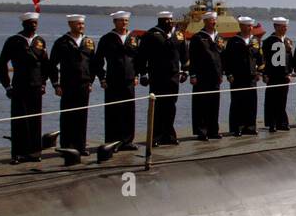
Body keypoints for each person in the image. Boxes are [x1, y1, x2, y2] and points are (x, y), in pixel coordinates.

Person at [0, 12, 48, 164]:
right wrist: (7, 85)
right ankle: (18, 153)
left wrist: (44, 83)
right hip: (19, 86)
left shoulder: (40, 41)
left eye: (35, 23)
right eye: (30, 23)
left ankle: (34, 152)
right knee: (19, 121)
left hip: (36, 87)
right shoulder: (14, 41)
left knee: (35, 120)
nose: (33, 25)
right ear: (24, 24)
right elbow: (2, 65)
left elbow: (46, 65)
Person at [136, 11, 186, 146]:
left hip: (174, 75)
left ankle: (169, 134)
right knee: (157, 106)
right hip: (157, 75)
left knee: (171, 105)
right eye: (168, 21)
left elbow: (184, 55)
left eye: (171, 20)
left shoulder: (178, 35)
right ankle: (156, 136)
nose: (171, 23)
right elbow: (142, 56)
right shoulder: (151, 34)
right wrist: (143, 74)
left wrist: (186, 71)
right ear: (161, 21)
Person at [48, 14, 95, 155]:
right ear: (70, 25)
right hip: (67, 85)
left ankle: (80, 146)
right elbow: (52, 65)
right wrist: (56, 84)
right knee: (68, 116)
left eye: (82, 24)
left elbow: (93, 64)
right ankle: (66, 145)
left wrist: (91, 81)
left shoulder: (89, 42)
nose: (81, 26)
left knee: (81, 116)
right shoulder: (61, 42)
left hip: (84, 84)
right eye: (78, 24)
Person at [94, 11, 139, 151]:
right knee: (113, 111)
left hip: (129, 81)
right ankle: (112, 141)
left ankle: (127, 141)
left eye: (126, 21)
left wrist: (137, 75)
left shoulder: (133, 38)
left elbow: (138, 59)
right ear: (115, 22)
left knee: (128, 111)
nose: (124, 23)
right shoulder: (107, 39)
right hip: (113, 80)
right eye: (121, 21)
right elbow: (98, 61)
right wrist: (102, 77)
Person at [222, 16, 261, 136]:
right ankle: (236, 127)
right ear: (241, 26)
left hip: (251, 77)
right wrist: (228, 74)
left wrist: (260, 72)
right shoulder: (234, 41)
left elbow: (259, 57)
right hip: (238, 77)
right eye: (248, 26)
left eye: (251, 26)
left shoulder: (255, 40)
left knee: (251, 103)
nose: (250, 28)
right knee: (237, 103)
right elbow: (226, 59)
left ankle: (250, 126)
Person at [189, 12, 223, 140]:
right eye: (211, 20)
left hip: (215, 77)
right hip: (202, 76)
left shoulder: (218, 37)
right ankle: (201, 131)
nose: (213, 22)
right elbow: (192, 57)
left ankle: (213, 130)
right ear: (205, 21)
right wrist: (192, 75)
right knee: (201, 104)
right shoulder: (198, 37)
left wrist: (222, 73)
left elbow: (221, 57)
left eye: (214, 20)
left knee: (214, 104)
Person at [261, 16, 294, 132]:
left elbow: (290, 59)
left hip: (284, 75)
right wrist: (264, 74)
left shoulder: (287, 41)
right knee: (272, 100)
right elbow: (264, 59)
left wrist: (290, 72)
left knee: (282, 100)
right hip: (273, 75)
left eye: (286, 26)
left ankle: (282, 122)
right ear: (276, 27)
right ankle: (272, 123)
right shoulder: (269, 41)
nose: (285, 28)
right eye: (283, 26)